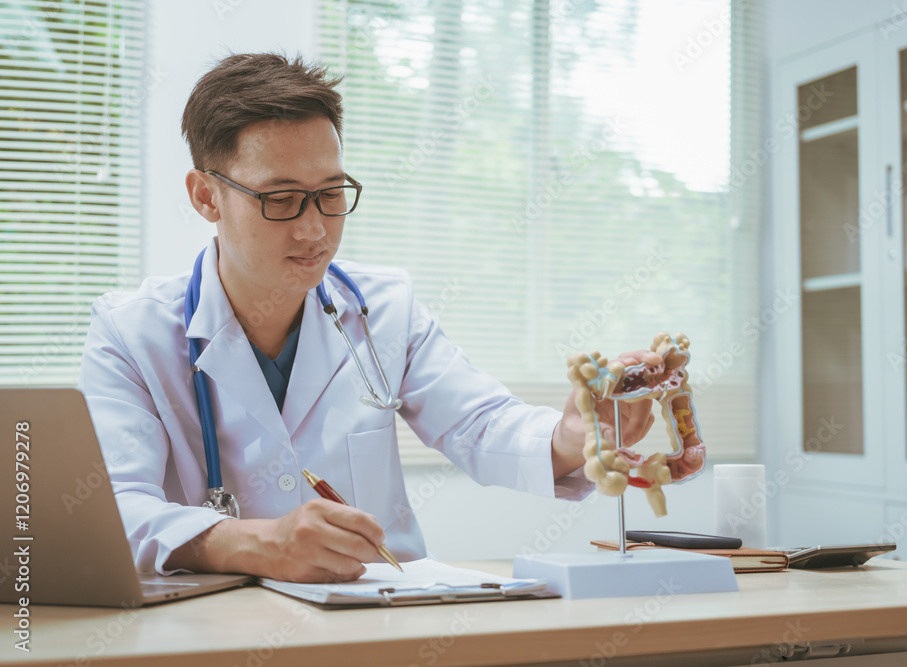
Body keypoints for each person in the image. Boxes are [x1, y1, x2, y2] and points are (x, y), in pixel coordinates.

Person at [79, 53, 657, 583]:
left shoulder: (384, 306)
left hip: (377, 615)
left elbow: (480, 425)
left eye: (331, 193)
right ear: (206, 196)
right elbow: (113, 512)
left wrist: (573, 436)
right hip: (214, 627)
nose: (314, 230)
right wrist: (256, 543)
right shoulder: (130, 333)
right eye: (280, 199)